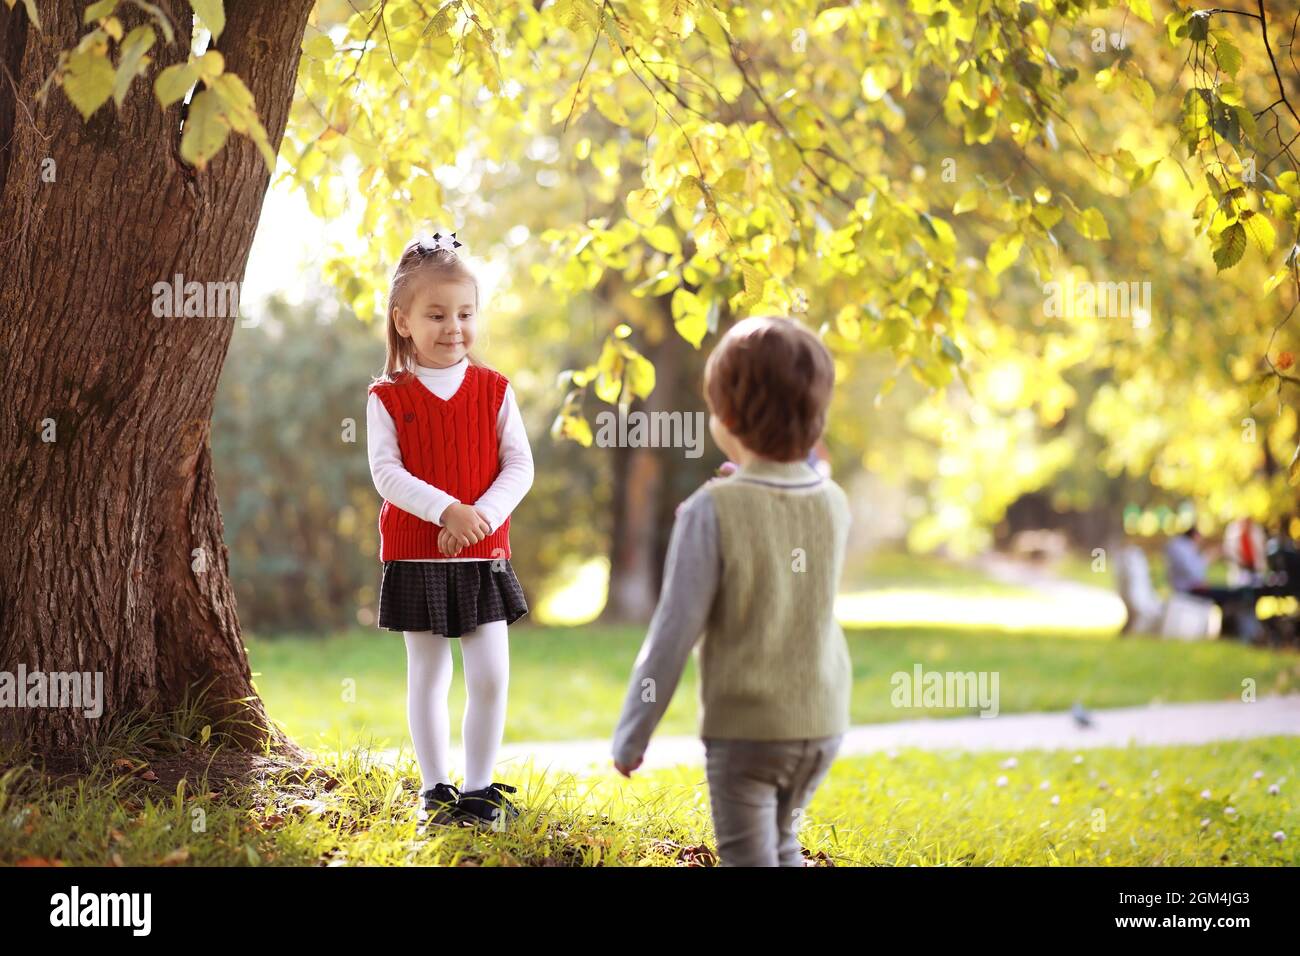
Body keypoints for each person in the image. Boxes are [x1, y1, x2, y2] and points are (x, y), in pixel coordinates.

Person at [611, 316, 852, 866]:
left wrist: (632, 734)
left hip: (748, 733)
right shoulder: (833, 502)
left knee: (748, 858)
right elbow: (783, 507)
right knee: (783, 846)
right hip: (820, 722)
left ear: (727, 418)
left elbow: (673, 633)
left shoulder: (710, 511)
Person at [366, 232, 534, 827]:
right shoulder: (388, 396)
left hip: (483, 558)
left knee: (490, 675)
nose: (453, 327)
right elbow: (387, 473)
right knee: (429, 675)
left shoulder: (494, 390)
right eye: (436, 314)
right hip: (417, 558)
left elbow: (519, 464)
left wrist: (477, 517)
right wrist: (445, 512)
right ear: (404, 321)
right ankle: (434, 788)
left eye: (465, 314)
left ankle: (480, 788)